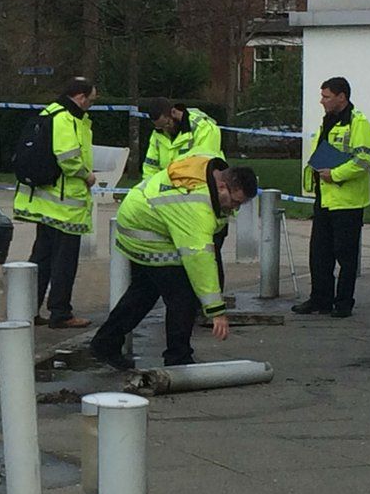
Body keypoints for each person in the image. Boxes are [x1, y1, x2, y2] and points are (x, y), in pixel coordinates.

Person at [85, 155, 258, 370]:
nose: (235, 209)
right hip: (148, 235)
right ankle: (178, 358)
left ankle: (106, 342)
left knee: (144, 292)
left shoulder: (207, 172)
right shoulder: (197, 204)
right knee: (182, 296)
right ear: (222, 186)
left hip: (139, 221)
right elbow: (199, 259)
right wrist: (216, 311)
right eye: (235, 202)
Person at [13, 77, 97, 329]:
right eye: (91, 100)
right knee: (64, 262)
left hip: (44, 204)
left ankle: (28, 309)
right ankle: (60, 312)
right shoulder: (66, 119)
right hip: (65, 206)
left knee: (42, 258)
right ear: (80, 98)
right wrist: (87, 175)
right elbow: (68, 157)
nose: (91, 105)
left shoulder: (49, 111)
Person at [291, 77, 370, 319]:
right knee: (319, 254)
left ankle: (344, 302)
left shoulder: (358, 123)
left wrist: (335, 174)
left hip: (347, 201)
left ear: (342, 96)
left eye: (326, 96)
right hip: (325, 198)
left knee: (345, 256)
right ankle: (320, 299)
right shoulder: (327, 122)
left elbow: (364, 159)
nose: (322, 101)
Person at [145, 98, 228, 286]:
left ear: (174, 113)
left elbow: (205, 168)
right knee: (184, 256)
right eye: (160, 127)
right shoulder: (158, 134)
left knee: (209, 253)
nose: (165, 130)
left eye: (166, 124)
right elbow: (150, 168)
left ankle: (212, 304)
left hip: (205, 201)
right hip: (176, 205)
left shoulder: (203, 128)